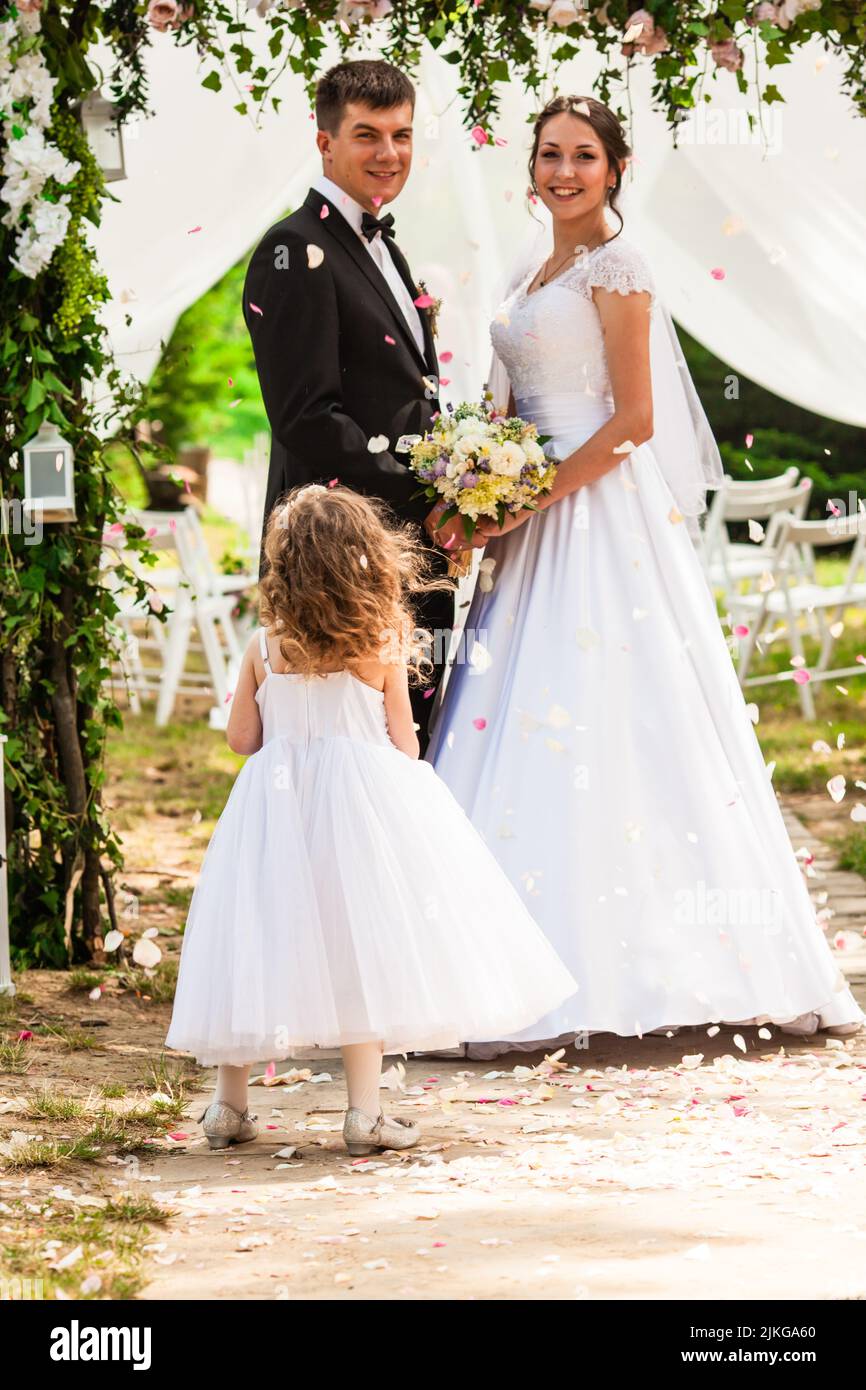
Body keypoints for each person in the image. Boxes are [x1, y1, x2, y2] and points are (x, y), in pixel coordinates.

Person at [425, 94, 864, 1058]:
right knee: (514, 713)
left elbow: (634, 420)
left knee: (608, 711)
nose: (565, 171)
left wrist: (528, 497)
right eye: (550, 154)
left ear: (614, 169)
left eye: (585, 156)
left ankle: (649, 963)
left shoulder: (620, 267)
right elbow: (504, 404)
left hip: (593, 513)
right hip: (523, 516)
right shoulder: (525, 265)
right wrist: (475, 485)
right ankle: (485, 963)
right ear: (531, 167)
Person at [164, 484, 578, 1154]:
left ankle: (226, 1105)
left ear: (284, 564)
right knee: (362, 945)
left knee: (255, 938)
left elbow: (241, 740)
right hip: (358, 810)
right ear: (364, 558)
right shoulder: (380, 641)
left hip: (274, 806)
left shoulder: (263, 648)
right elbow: (406, 744)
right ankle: (363, 1114)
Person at [242, 58, 462, 754]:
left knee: (405, 755)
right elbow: (306, 416)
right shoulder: (293, 248)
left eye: (401, 135)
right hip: (337, 562)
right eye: (367, 134)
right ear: (325, 142)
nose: (389, 154)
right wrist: (427, 488)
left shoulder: (383, 244)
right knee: (339, 763)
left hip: (406, 548)